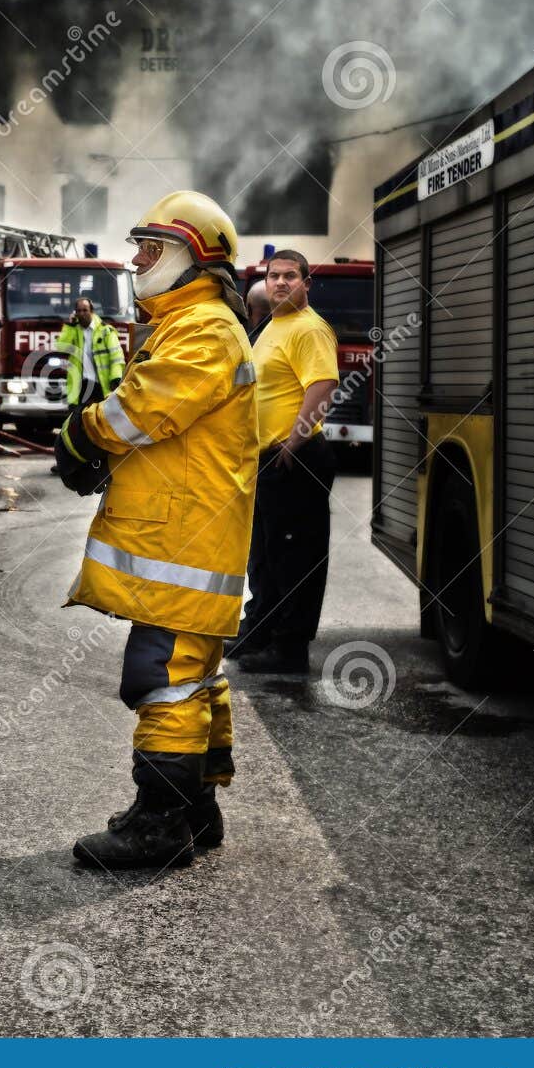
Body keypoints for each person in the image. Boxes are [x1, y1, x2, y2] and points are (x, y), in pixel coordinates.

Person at [54, 191, 257, 869]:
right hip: (189, 538)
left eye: (152, 248)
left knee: (163, 676)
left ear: (196, 257)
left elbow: (145, 408)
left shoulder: (204, 328)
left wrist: (82, 435)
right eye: (139, 247)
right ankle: (195, 808)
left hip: (185, 541)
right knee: (192, 675)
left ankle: (160, 824)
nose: (138, 260)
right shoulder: (189, 322)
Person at [230, 249, 339, 674]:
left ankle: (290, 649)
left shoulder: (309, 329)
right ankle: (259, 633)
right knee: (265, 555)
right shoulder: (274, 326)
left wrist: (293, 443)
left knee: (295, 559)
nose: (280, 282)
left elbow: (323, 386)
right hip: (268, 459)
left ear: (306, 284)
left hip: (295, 458)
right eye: (273, 276)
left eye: (290, 276)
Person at [61, 296, 125, 408]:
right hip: (80, 386)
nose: (82, 314)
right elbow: (61, 348)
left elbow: (116, 357)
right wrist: (69, 326)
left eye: (85, 310)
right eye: (79, 311)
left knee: (99, 417)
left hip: (100, 385)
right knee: (77, 418)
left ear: (92, 311)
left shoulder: (106, 330)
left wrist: (115, 377)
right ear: (75, 313)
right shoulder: (73, 330)